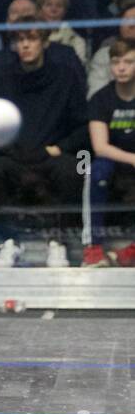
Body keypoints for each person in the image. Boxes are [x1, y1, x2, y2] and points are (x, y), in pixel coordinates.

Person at [0, 17, 88, 268]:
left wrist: (59, 148)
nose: (25, 45)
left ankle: (58, 243)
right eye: (20, 40)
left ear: (45, 42)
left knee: (71, 170)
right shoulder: (0, 77)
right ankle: (9, 242)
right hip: (12, 154)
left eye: (32, 38)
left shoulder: (65, 76)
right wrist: (7, 149)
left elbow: (83, 124)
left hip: (52, 153)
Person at [82, 37, 135, 267]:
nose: (121, 67)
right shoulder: (100, 98)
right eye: (116, 62)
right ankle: (93, 247)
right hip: (113, 161)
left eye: (128, 62)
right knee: (95, 171)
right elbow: (100, 146)